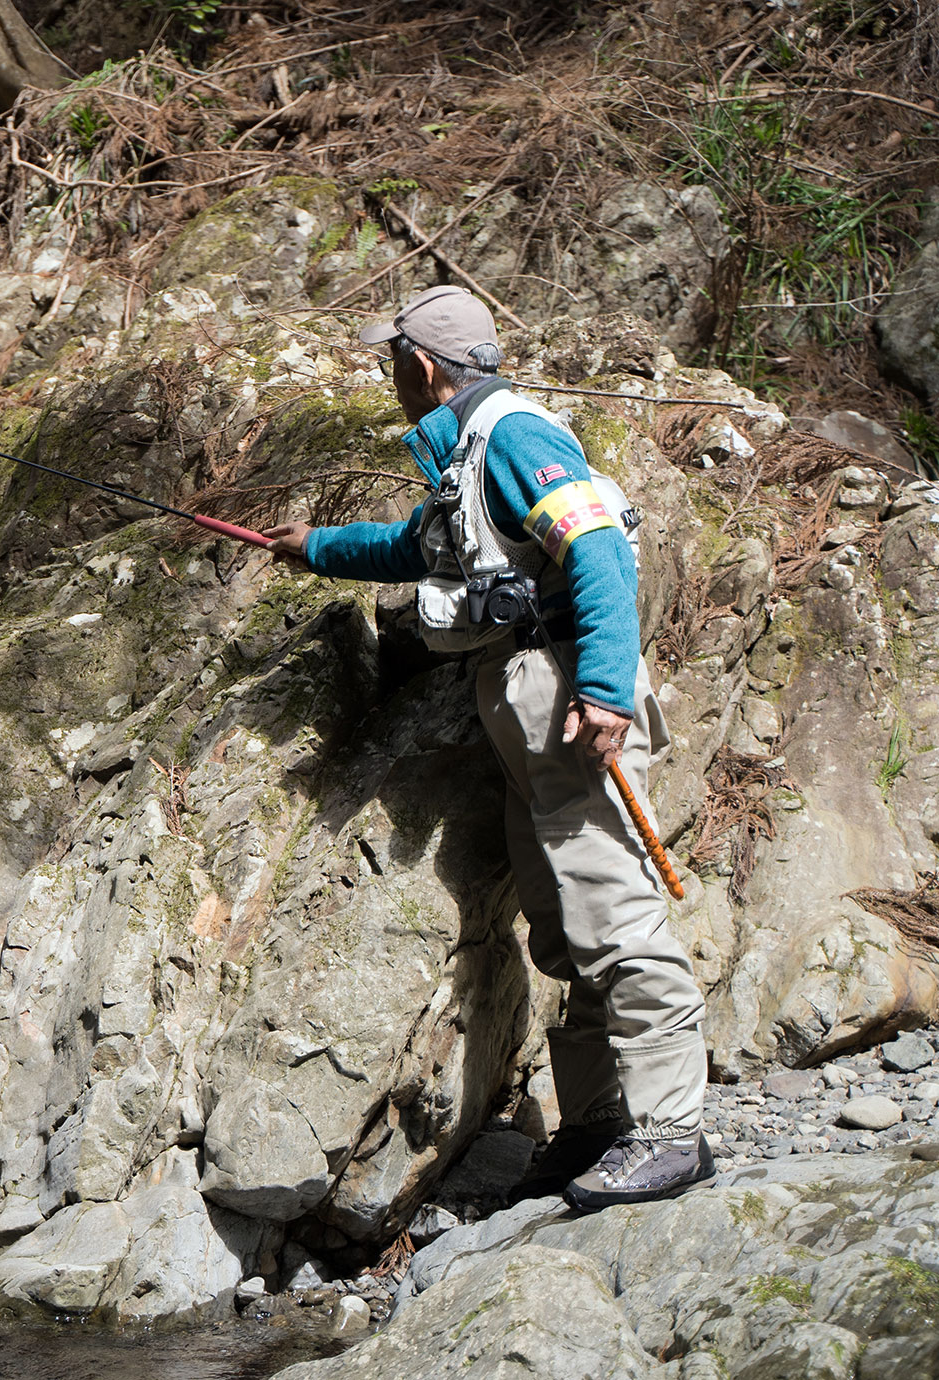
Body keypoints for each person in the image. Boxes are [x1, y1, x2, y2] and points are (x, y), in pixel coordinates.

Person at [261, 285, 712, 1210]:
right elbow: (417, 549)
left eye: (395, 359)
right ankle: (597, 1124)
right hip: (523, 709)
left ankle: (673, 1134)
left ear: (423, 367)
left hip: (566, 700)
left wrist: (604, 693)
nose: (392, 375)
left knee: (617, 917)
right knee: (562, 927)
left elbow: (600, 553)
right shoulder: (467, 449)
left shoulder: (515, 436)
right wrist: (316, 547)